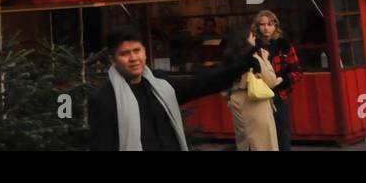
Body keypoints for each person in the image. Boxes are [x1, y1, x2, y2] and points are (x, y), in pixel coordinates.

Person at [88, 25, 257, 151]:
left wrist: (242, 65)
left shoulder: (161, 84)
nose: (133, 58)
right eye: (124, 53)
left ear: (145, 52)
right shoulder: (104, 99)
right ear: (113, 59)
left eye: (137, 50)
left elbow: (201, 83)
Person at [225, 28, 281, 151]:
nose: (254, 38)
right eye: (252, 36)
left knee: (245, 142)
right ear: (245, 40)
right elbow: (271, 81)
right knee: (263, 143)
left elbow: (223, 85)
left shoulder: (229, 59)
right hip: (256, 101)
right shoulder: (254, 58)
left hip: (237, 101)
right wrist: (266, 61)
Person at [255, 10, 302, 151]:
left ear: (275, 25)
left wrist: (283, 79)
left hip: (279, 95)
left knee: (283, 133)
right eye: (262, 24)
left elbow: (297, 72)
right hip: (258, 97)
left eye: (269, 24)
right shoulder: (253, 46)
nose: (266, 27)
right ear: (257, 27)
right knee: (261, 136)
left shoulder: (284, 45)